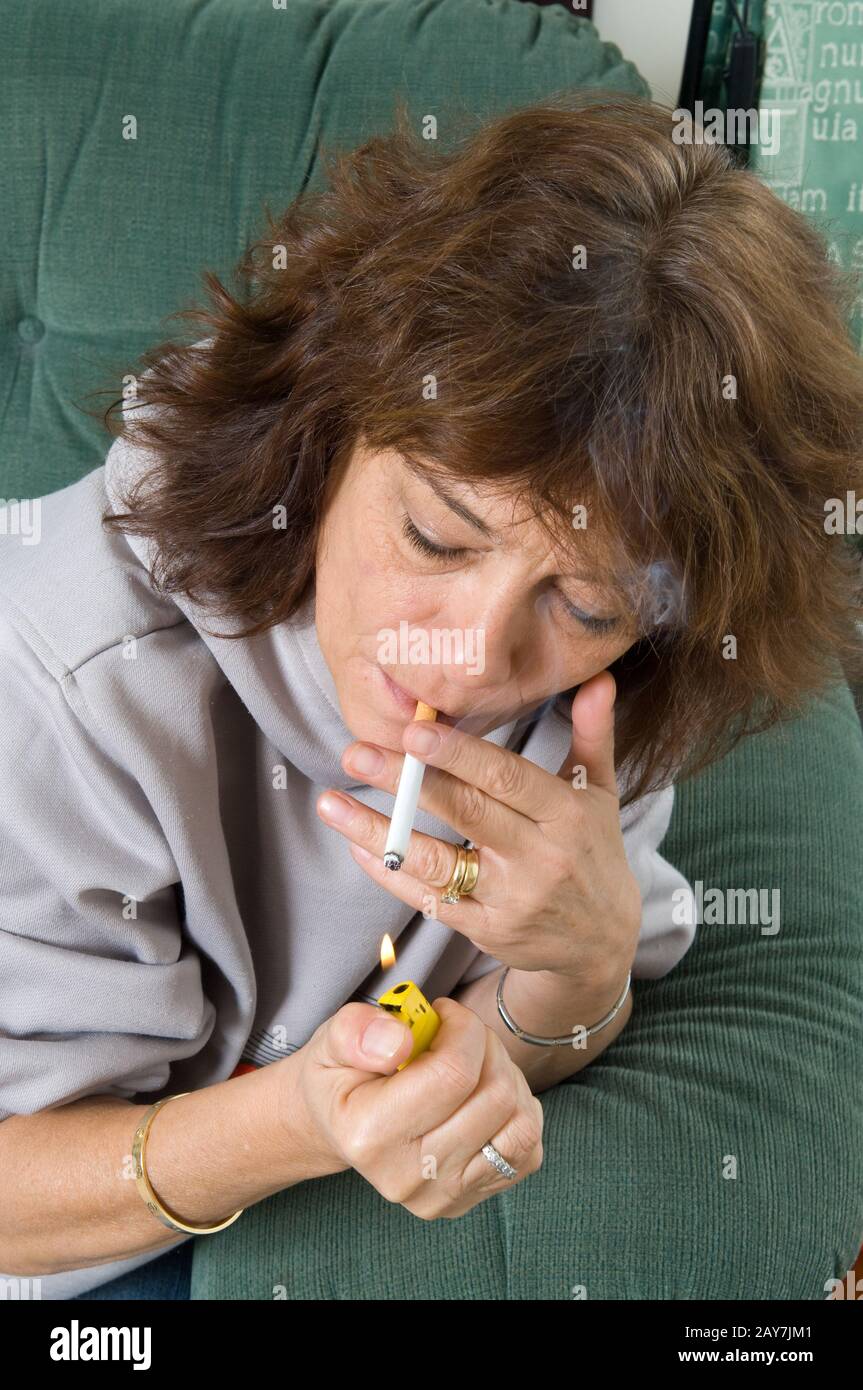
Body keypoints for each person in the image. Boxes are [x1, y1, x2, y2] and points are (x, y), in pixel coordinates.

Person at [1, 93, 861, 1299]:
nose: (465, 662)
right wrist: (299, 1121)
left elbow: (499, 1039)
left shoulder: (609, 687)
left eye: (584, 604)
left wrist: (579, 968)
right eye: (434, 534)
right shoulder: (68, 681)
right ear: (331, 414)